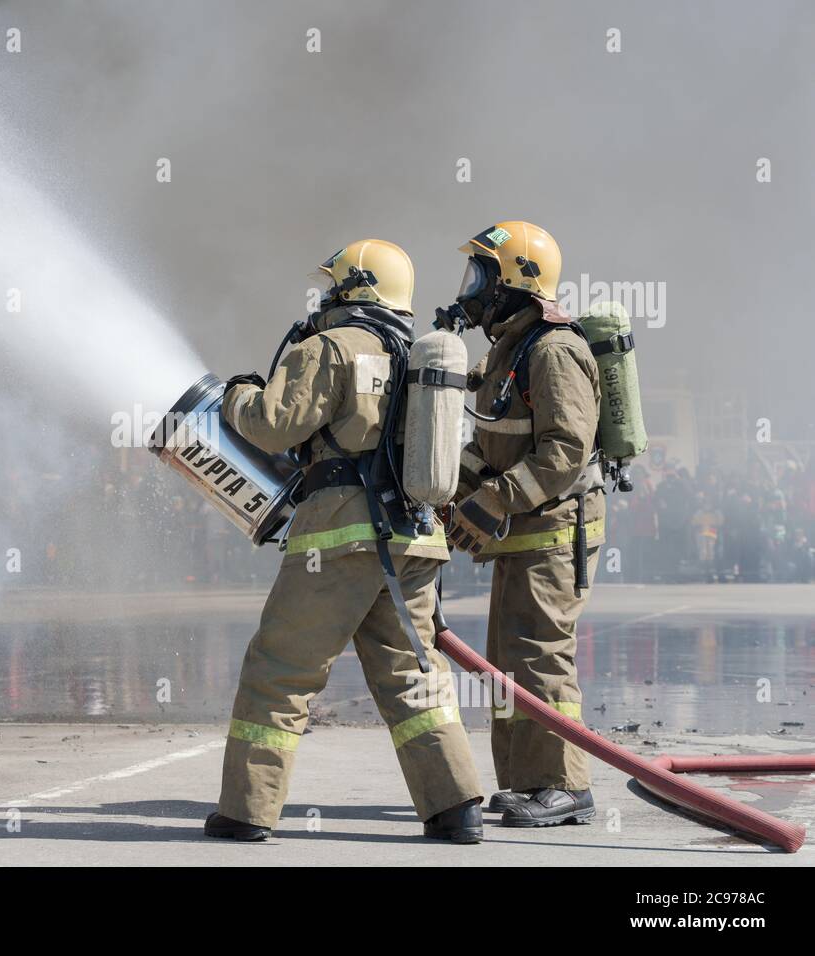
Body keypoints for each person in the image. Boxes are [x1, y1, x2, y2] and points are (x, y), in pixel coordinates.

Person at [204, 239, 484, 843]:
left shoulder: (331, 347)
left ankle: (247, 811)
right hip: (413, 539)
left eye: (335, 284)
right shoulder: (419, 354)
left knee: (280, 667)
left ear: (355, 286)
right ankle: (456, 806)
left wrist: (237, 395)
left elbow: (273, 426)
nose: (326, 295)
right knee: (413, 672)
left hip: (338, 538)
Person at [445, 221, 602, 827]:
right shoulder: (509, 351)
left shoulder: (554, 349)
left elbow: (564, 450)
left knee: (540, 656)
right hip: (521, 531)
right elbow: (493, 445)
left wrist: (496, 500)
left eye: (483, 274)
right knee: (508, 660)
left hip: (556, 531)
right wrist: (449, 490)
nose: (473, 289)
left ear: (517, 280)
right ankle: (526, 783)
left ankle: (565, 786)